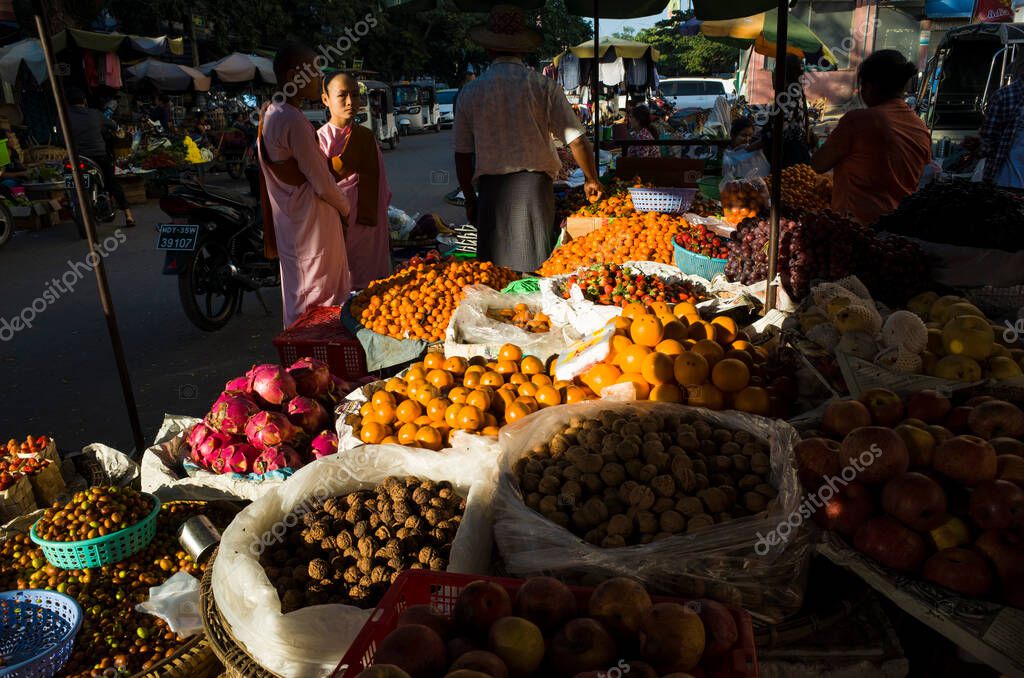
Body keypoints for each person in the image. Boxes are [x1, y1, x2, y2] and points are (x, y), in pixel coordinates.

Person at [454, 4, 603, 272]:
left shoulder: (470, 92)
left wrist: (470, 198)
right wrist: (591, 180)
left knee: (494, 275)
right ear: (524, 49)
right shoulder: (543, 86)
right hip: (534, 189)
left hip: (490, 192)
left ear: (488, 48)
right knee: (534, 270)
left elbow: (462, 154)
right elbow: (577, 140)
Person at [258, 45, 352, 327]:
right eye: (314, 72)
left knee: (301, 298)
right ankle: (315, 364)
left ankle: (304, 365)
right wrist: (346, 208)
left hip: (293, 224)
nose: (319, 78)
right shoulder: (292, 119)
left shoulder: (272, 113)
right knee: (321, 306)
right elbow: (322, 182)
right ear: (292, 76)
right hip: (311, 226)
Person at [811, 50, 931, 225]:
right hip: (898, 226)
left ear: (869, 87)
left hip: (856, 228)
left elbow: (818, 164)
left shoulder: (858, 121)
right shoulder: (920, 127)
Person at [318, 72, 393, 289]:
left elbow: (382, 188)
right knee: (342, 290)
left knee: (373, 292)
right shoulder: (319, 140)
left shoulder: (367, 137)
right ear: (326, 100)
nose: (351, 102)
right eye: (342, 95)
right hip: (337, 228)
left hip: (370, 226)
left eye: (355, 95)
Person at [65, 87, 134, 229]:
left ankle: (71, 202)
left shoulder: (63, 115)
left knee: (69, 181)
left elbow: (59, 136)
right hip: (97, 156)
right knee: (111, 182)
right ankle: (128, 215)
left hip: (74, 157)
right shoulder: (95, 114)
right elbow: (114, 126)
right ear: (84, 101)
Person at [980, 56, 1024, 188]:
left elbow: (986, 142)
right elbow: (987, 142)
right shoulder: (1005, 96)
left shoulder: (1003, 95)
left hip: (1006, 183)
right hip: (1007, 183)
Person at [764, 54, 811, 169]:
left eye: (775, 70)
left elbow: (779, 130)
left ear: (783, 73)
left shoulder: (789, 95)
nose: (772, 74)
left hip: (789, 159)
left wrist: (752, 146)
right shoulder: (793, 91)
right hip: (793, 155)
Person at [721, 118, 769, 186]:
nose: (747, 139)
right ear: (733, 135)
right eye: (743, 135)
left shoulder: (757, 151)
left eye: (750, 135)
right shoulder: (729, 158)